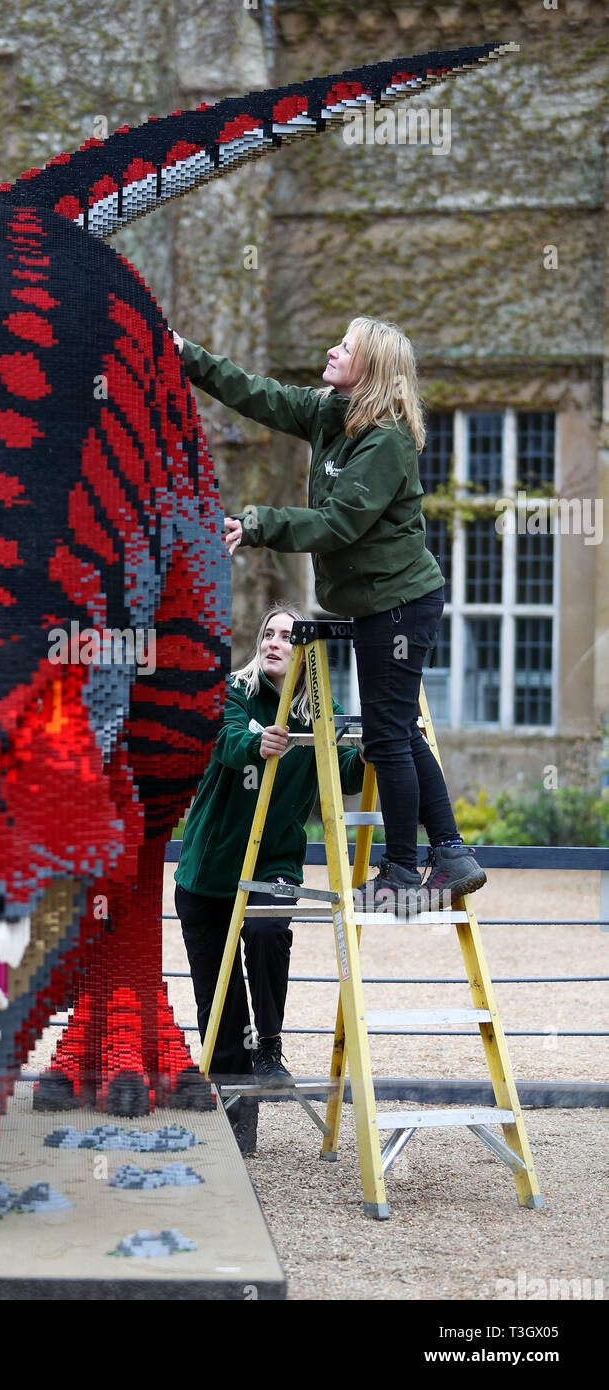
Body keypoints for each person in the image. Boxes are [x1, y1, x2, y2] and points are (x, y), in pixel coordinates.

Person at [173, 318, 486, 920]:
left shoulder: (387, 440)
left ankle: (401, 868)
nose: (330, 349)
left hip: (400, 603)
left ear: (371, 367)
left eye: (345, 347)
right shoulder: (330, 412)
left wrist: (259, 524)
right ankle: (449, 852)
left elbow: (341, 522)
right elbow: (258, 394)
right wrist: (190, 358)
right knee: (395, 730)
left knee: (387, 736)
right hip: (374, 603)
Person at [174, 602, 364, 1153]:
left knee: (265, 932)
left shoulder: (319, 708)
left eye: (288, 636)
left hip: (274, 859)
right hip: (210, 870)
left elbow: (343, 772)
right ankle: (240, 1130)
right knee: (221, 1003)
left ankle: (271, 1049)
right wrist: (258, 742)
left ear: (307, 653)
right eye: (268, 633)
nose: (274, 642)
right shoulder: (233, 691)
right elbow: (228, 741)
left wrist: (377, 747)